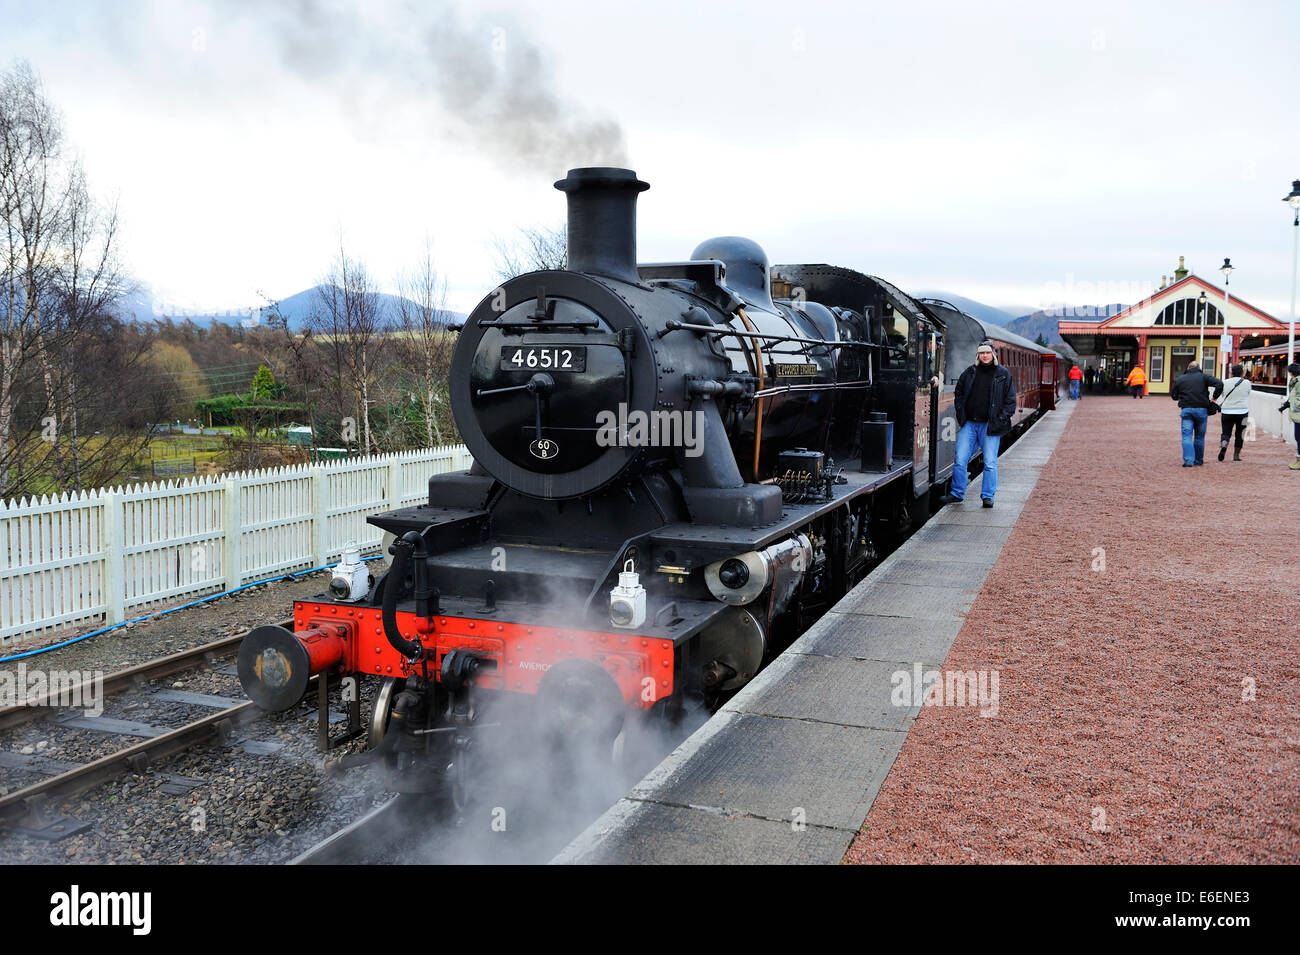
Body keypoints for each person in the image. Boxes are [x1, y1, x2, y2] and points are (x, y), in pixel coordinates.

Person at [940, 340, 1017, 508]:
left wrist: (1000, 419)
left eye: (987, 352)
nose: (985, 355)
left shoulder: (1003, 374)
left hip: (990, 426)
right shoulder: (969, 372)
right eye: (982, 353)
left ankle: (988, 496)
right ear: (978, 355)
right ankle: (957, 493)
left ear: (993, 354)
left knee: (990, 463)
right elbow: (959, 393)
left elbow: (1010, 401)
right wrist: (962, 414)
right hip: (970, 425)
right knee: (960, 459)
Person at [1170, 360, 1223, 467]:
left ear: (1188, 368)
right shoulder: (1204, 377)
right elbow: (1219, 383)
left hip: (1187, 410)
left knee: (1187, 436)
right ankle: (1198, 460)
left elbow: (1173, 395)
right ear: (1198, 368)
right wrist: (1213, 399)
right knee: (1199, 437)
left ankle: (1188, 461)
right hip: (1201, 410)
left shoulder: (1180, 379)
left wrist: (1181, 397)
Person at [1216, 363, 1252, 462]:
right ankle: (1236, 455)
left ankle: (1224, 444)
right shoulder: (1247, 383)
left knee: (1226, 431)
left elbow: (1223, 395)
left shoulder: (1225, 382)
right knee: (1240, 434)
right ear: (1242, 373)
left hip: (1227, 411)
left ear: (1232, 373)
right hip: (1242, 411)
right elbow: (1248, 393)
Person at [1280, 362, 1300, 471]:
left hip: (1299, 414)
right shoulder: (1296, 381)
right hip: (1297, 414)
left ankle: (1299, 461)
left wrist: (1295, 405)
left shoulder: (1298, 382)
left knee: (1299, 437)